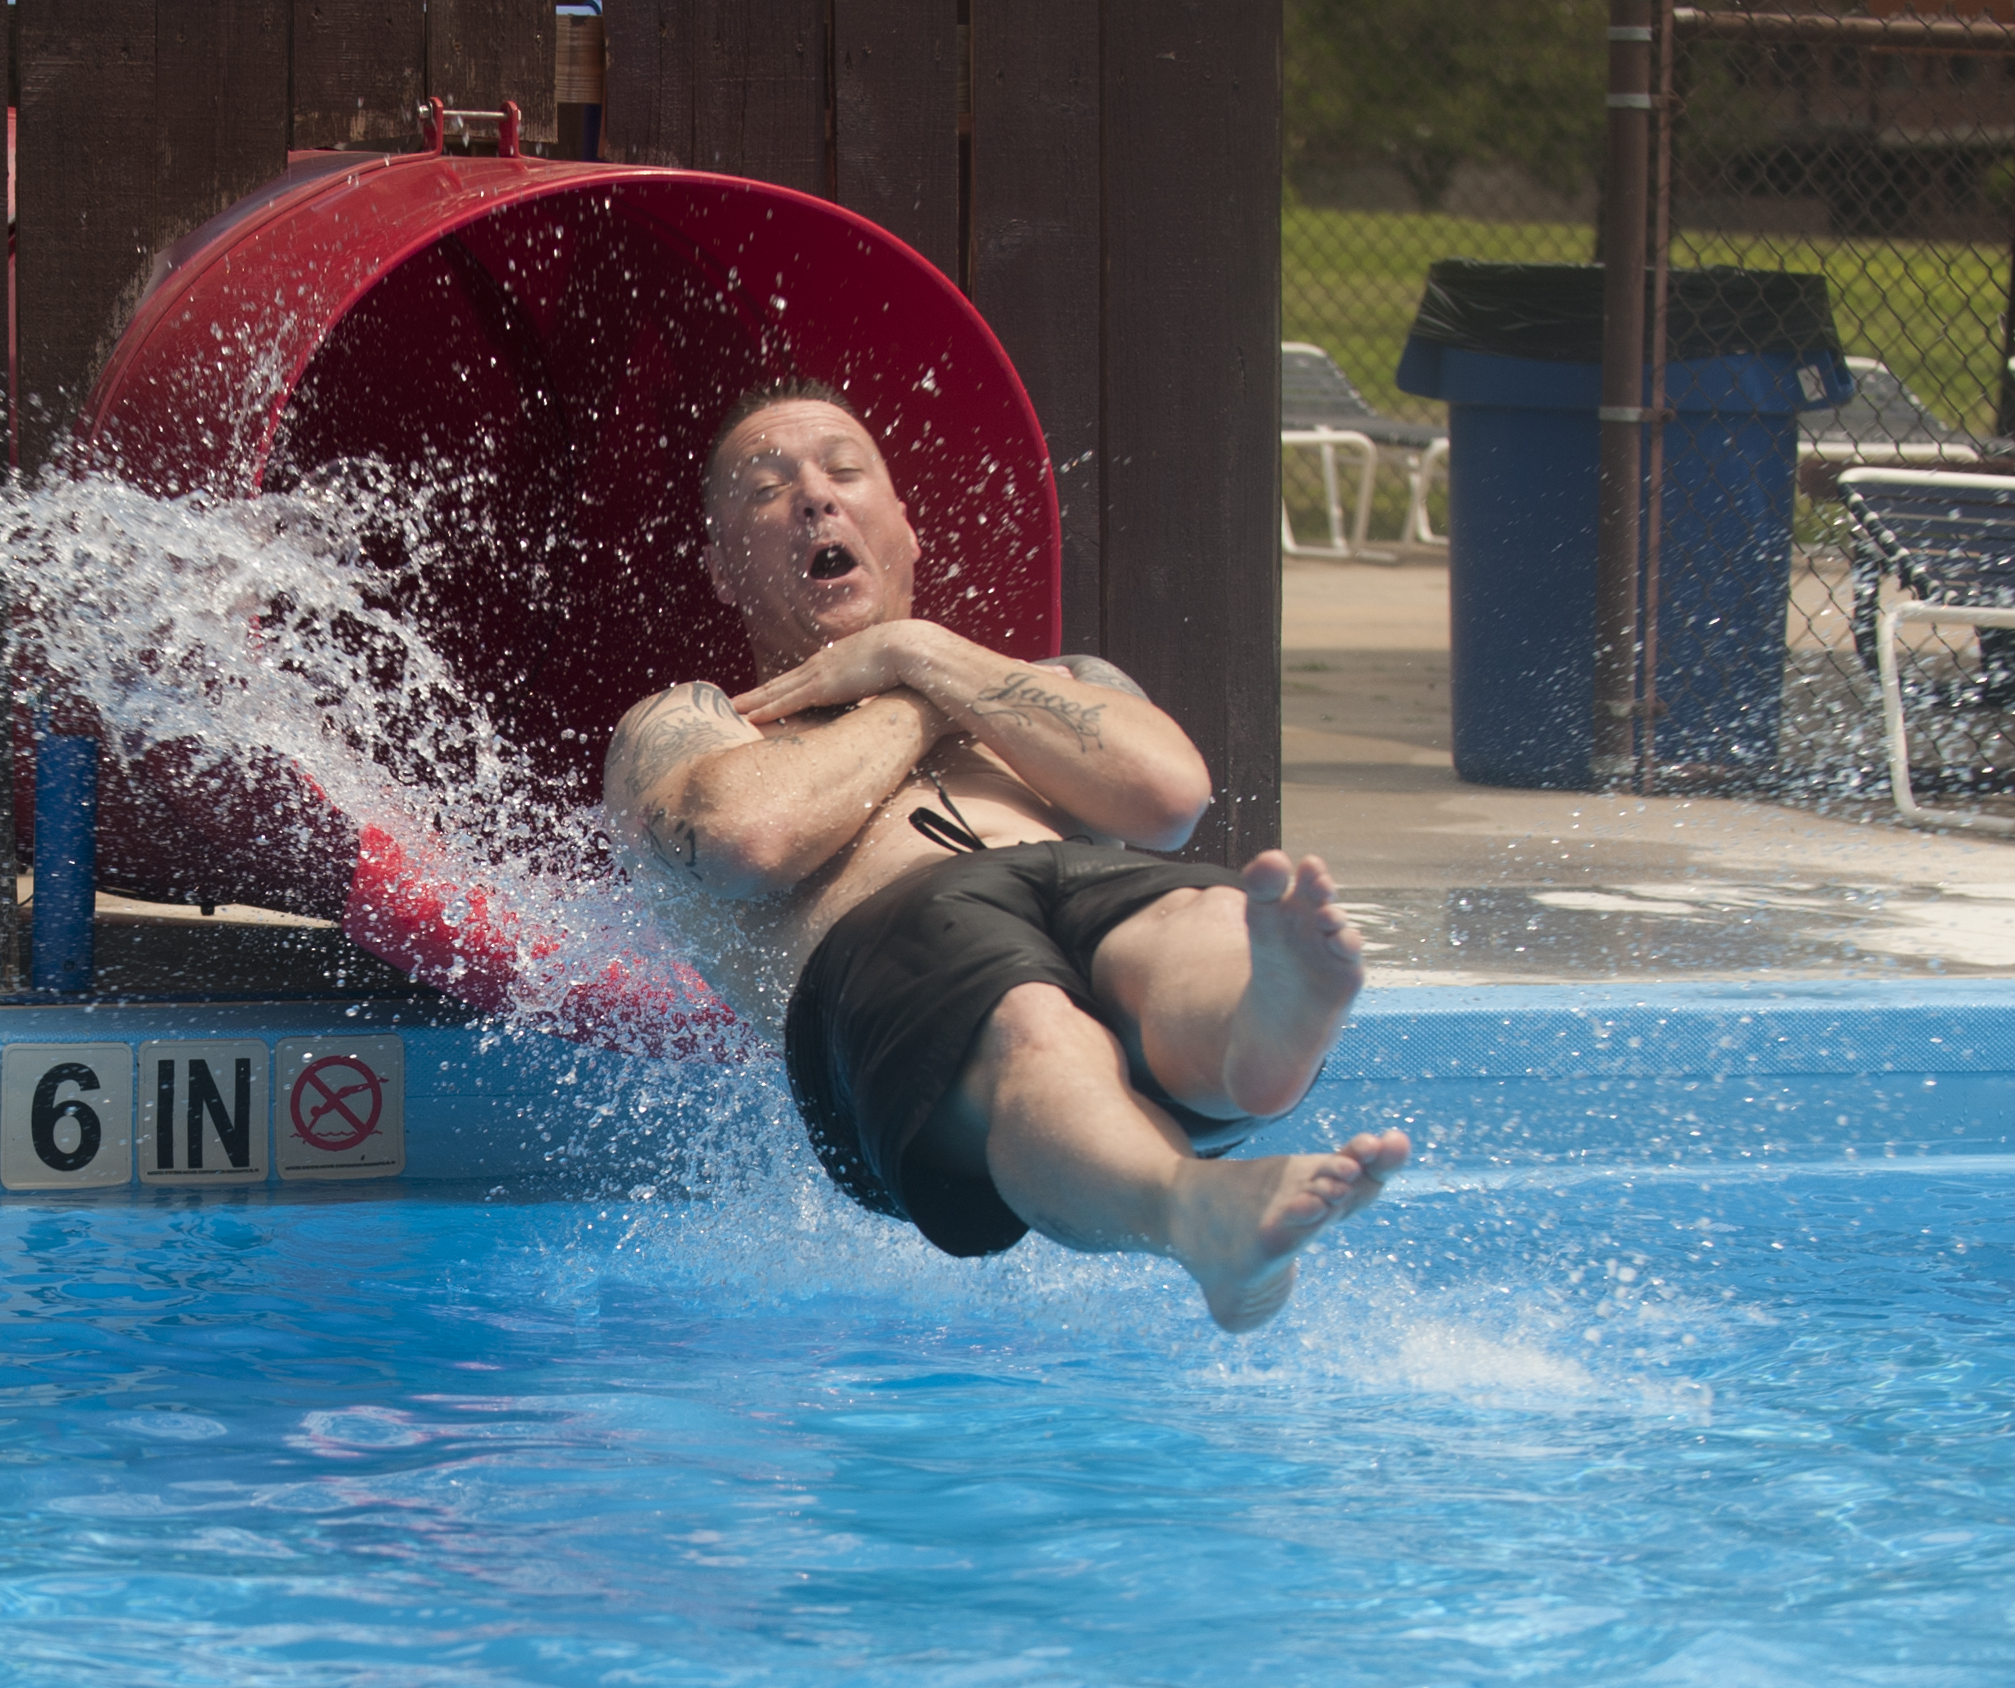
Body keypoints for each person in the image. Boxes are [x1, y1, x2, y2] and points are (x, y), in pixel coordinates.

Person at [601, 380, 1410, 1333]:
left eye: (844, 471)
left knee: (1193, 916)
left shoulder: (1059, 682)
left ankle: (1254, 1035)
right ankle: (1194, 1204)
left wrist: (918, 651)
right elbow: (747, 839)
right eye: (767, 489)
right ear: (724, 571)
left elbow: (1169, 797)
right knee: (1032, 1022)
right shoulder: (694, 721)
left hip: (1090, 892)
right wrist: (920, 683)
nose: (815, 497)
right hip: (889, 949)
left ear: (905, 532)